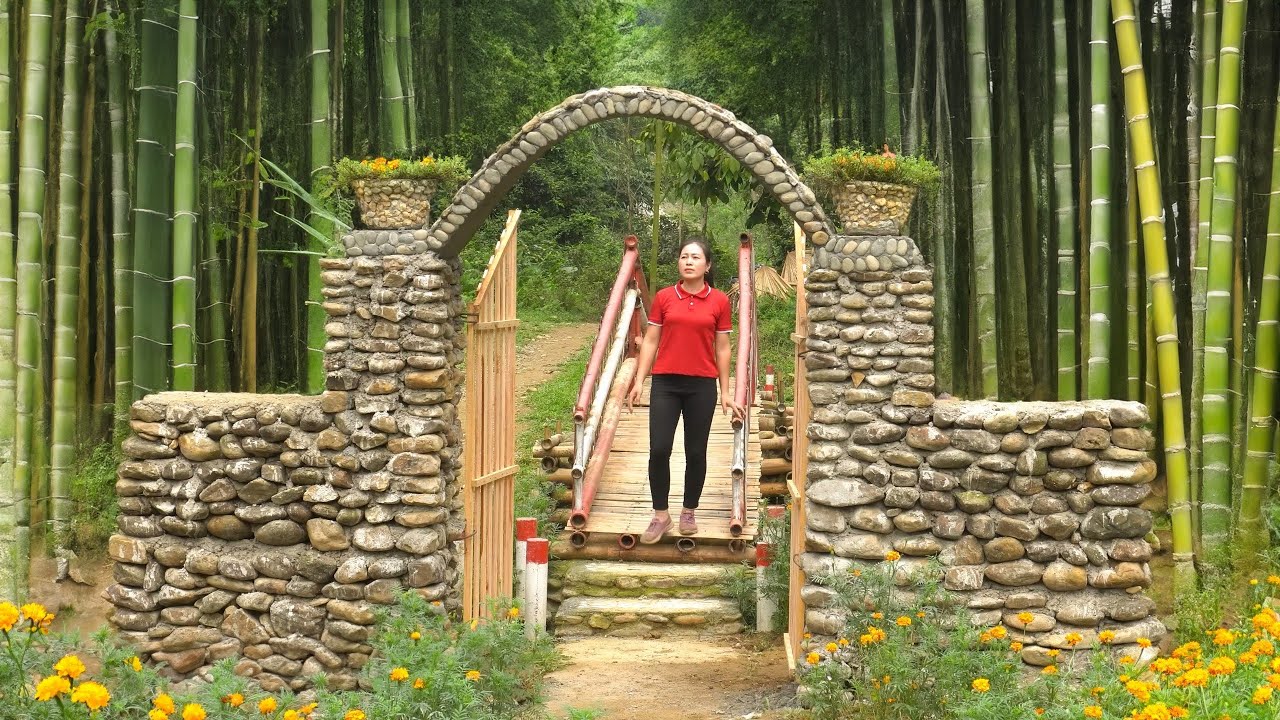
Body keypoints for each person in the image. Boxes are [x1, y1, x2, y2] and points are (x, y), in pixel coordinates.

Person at [626, 239, 746, 545]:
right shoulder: (665, 297)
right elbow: (651, 340)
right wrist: (640, 380)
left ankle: (689, 511)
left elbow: (723, 347)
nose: (688, 261)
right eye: (683, 257)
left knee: (695, 452)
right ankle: (660, 515)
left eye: (695, 257)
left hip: (701, 386)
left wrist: (726, 391)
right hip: (665, 382)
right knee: (660, 449)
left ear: (707, 265)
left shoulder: (719, 301)